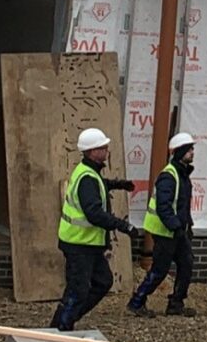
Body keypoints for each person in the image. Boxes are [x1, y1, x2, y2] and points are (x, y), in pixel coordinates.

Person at [51, 127, 137, 331]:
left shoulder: (89, 172)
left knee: (103, 282)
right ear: (92, 152)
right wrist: (123, 225)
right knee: (78, 290)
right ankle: (60, 327)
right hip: (79, 244)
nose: (107, 150)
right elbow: (94, 213)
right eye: (102, 147)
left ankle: (68, 319)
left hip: (88, 244)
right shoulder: (87, 177)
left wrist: (118, 184)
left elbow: (100, 184)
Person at [128, 131, 199, 318]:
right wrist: (176, 227)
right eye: (189, 149)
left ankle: (176, 303)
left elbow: (182, 206)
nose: (192, 152)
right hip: (166, 232)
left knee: (187, 263)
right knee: (160, 270)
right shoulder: (169, 176)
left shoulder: (182, 175)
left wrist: (186, 227)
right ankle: (137, 301)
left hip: (177, 231)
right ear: (179, 152)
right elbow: (164, 207)